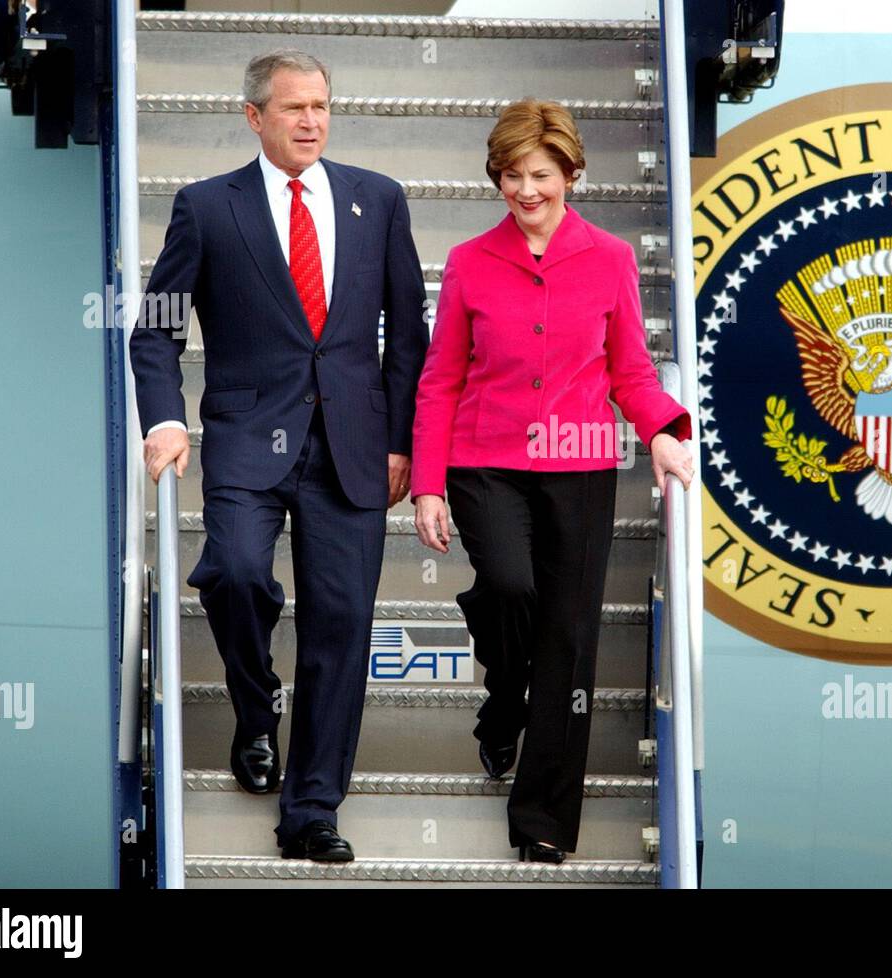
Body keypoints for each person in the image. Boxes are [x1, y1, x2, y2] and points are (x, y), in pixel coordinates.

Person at [129, 49, 428, 862]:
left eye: (322, 107)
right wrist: (164, 420)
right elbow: (155, 328)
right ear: (254, 116)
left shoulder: (379, 199)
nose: (311, 122)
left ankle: (311, 812)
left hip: (353, 450)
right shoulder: (203, 207)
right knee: (230, 572)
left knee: (342, 625)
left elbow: (409, 337)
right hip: (243, 440)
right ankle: (255, 706)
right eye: (293, 108)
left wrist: (405, 439)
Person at [410, 98, 694, 863]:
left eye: (538, 174)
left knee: (568, 640)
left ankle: (541, 819)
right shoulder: (472, 259)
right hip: (485, 461)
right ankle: (505, 700)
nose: (524, 190)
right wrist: (429, 483)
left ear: (573, 173)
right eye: (509, 175)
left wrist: (665, 432)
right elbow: (441, 377)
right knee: (506, 587)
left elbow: (630, 368)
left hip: (580, 464)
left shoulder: (610, 258)